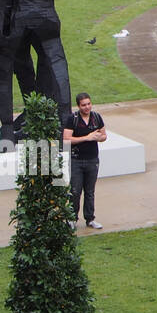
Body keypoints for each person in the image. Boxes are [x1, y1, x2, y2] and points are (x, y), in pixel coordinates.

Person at [64, 92, 106, 230]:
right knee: (75, 191)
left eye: (89, 104)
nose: (87, 107)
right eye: (84, 105)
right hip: (77, 161)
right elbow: (66, 139)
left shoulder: (96, 117)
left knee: (90, 191)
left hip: (92, 159)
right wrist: (87, 137)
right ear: (78, 106)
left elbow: (104, 135)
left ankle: (90, 218)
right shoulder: (73, 119)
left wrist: (98, 137)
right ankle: (72, 219)